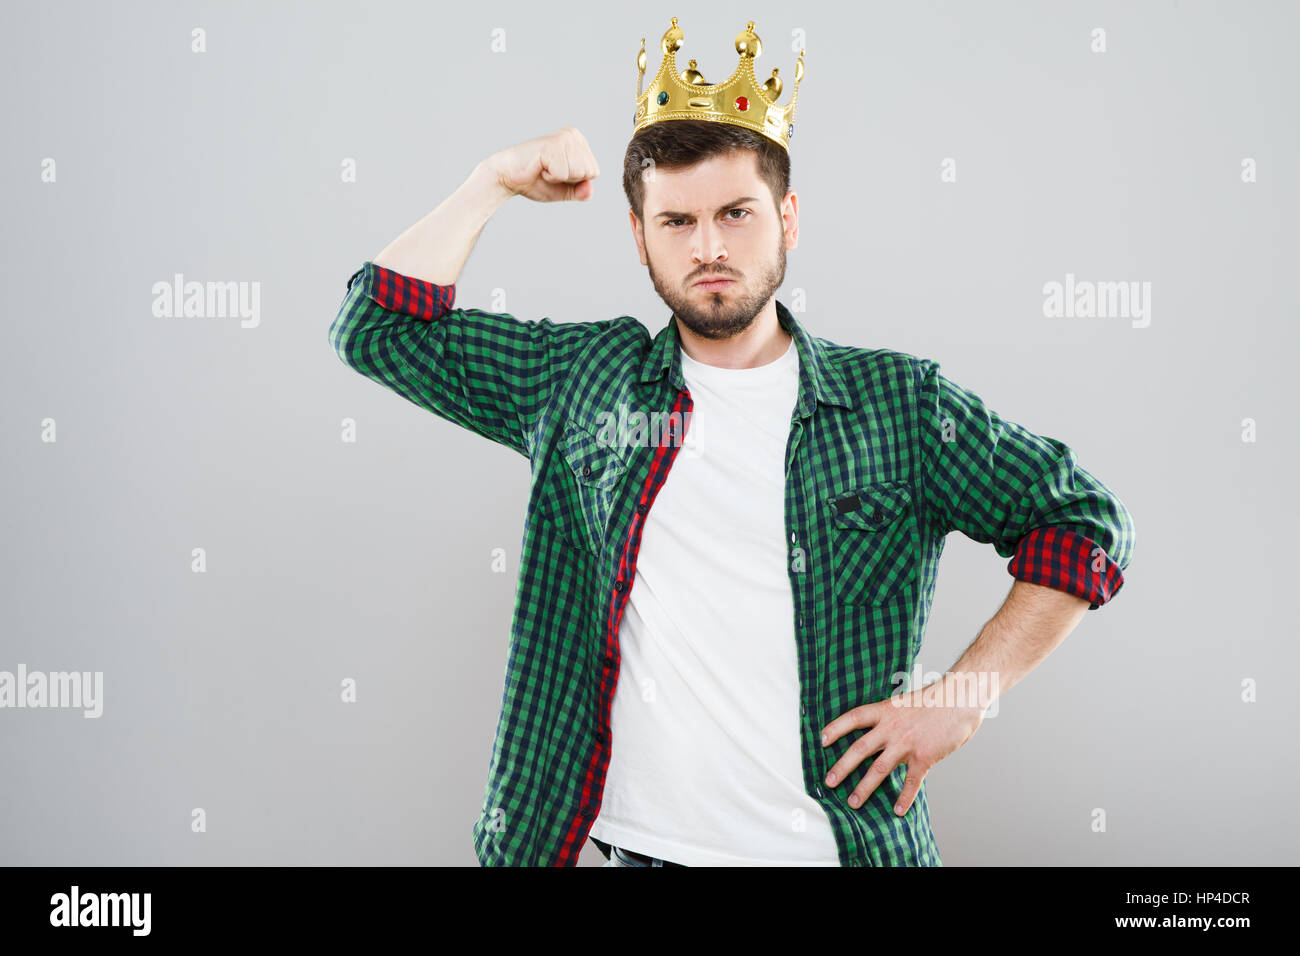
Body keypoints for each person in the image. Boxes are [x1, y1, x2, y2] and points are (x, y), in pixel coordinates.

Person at [328, 20, 1135, 867]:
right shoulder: (579, 383)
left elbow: (1083, 522)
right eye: (675, 221)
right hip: (645, 855)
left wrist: (964, 698)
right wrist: (490, 180)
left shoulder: (899, 404)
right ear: (638, 238)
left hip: (845, 853)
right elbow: (373, 327)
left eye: (735, 214)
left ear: (787, 217)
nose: (708, 247)